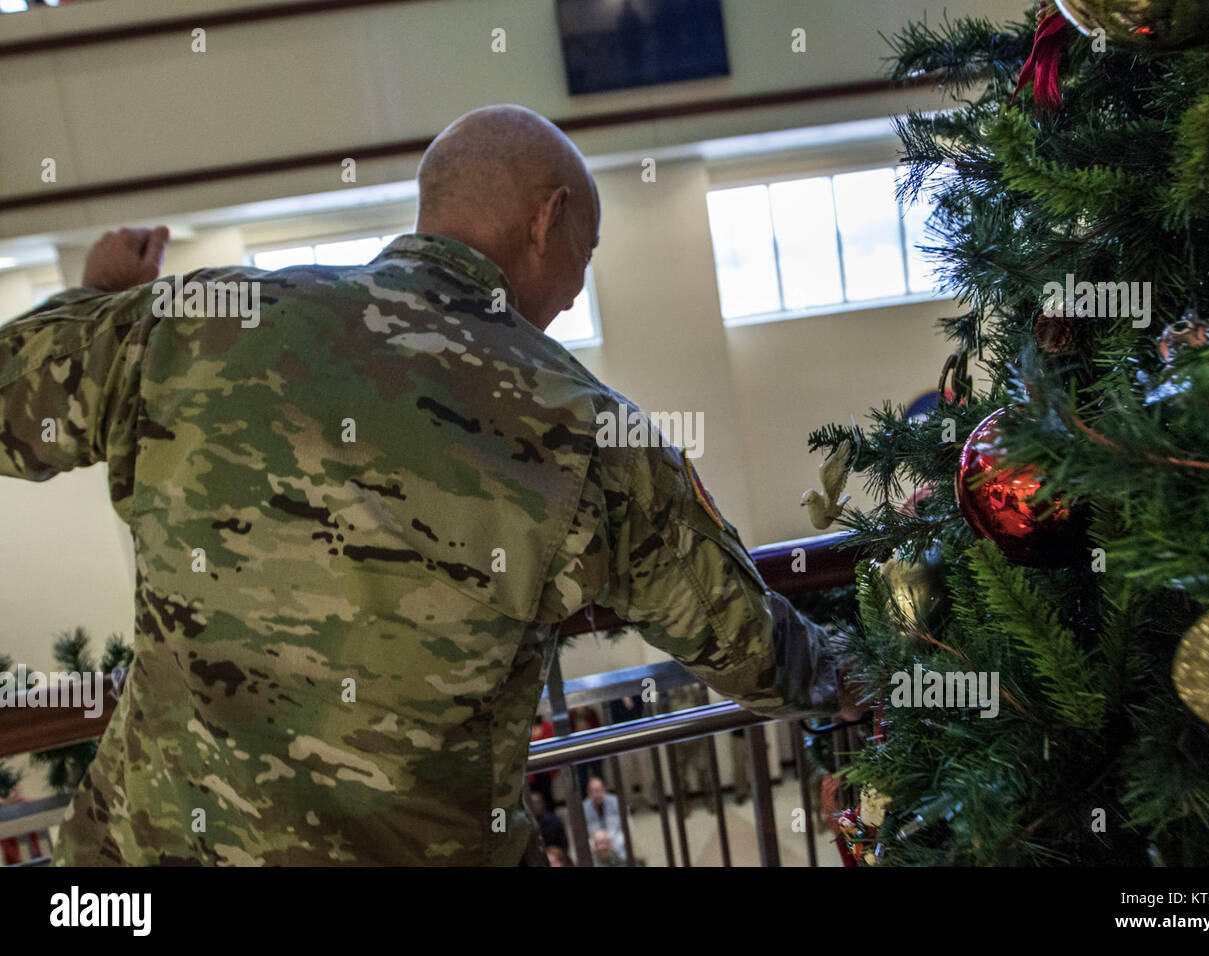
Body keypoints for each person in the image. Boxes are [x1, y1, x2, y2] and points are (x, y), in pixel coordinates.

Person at [0, 104, 863, 866]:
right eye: (584, 253)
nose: (576, 287)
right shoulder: (592, 433)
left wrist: (98, 293)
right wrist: (912, 665)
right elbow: (765, 657)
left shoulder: (202, 322)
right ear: (547, 219)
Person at [528, 790, 568, 854]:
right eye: (532, 803)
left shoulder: (553, 820)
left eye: (537, 802)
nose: (535, 806)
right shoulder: (526, 823)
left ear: (543, 803)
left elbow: (563, 843)